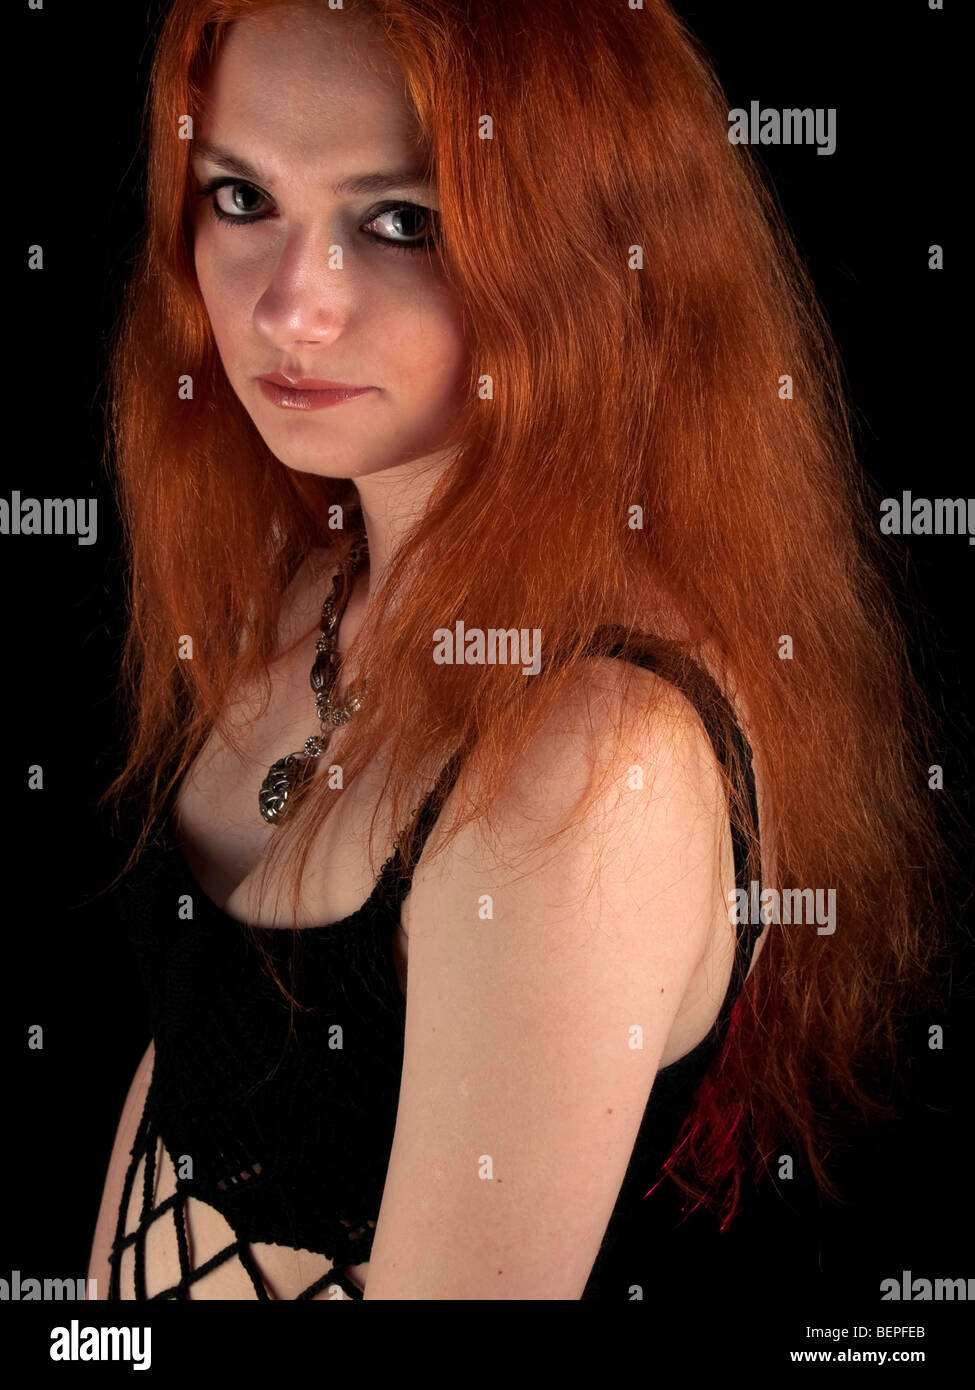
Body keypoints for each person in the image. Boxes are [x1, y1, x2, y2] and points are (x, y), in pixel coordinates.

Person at [86, 0, 951, 1300]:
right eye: (241, 196)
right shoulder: (308, 583)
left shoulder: (598, 759)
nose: (289, 308)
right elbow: (188, 1075)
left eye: (400, 220)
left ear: (579, 248)